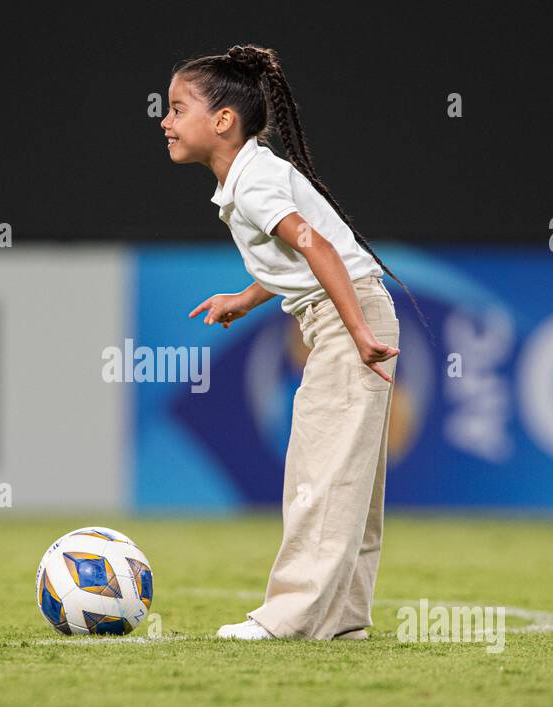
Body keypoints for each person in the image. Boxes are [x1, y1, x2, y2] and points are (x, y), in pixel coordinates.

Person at [164, 44, 425, 640]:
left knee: (319, 474)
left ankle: (288, 620)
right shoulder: (253, 176)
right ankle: (342, 621)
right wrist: (245, 297)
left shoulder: (252, 183)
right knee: (351, 480)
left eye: (179, 109)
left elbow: (316, 245)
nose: (166, 120)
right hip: (354, 313)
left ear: (223, 120)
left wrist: (356, 331)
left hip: (346, 320)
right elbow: (298, 255)